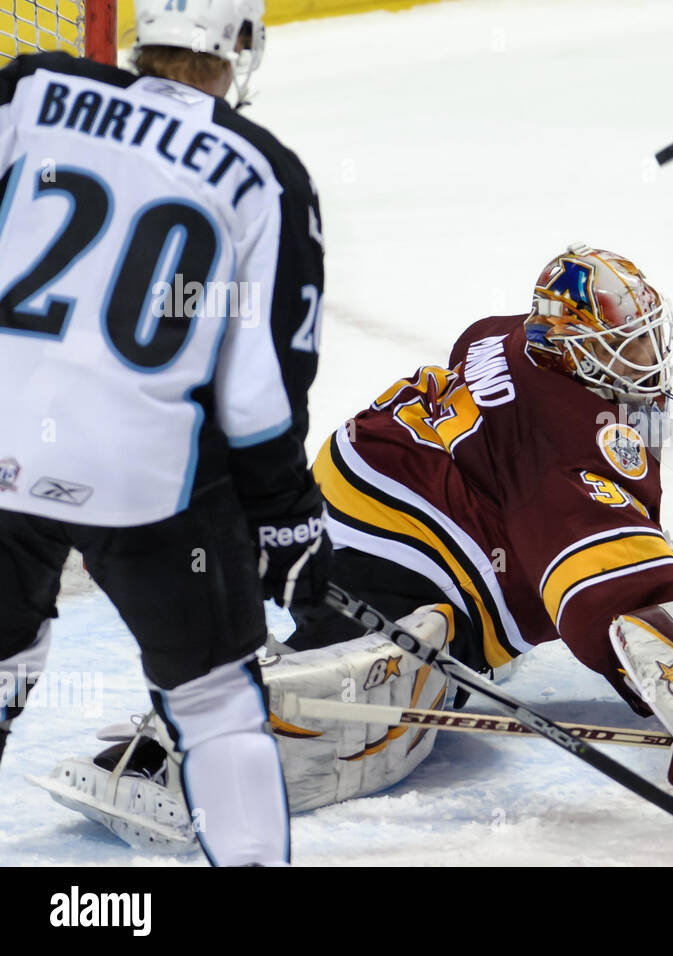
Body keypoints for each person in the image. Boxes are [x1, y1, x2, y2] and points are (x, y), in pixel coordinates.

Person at [36, 244, 673, 852]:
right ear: (570, 342)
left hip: (361, 483)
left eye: (643, 345)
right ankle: (163, 767)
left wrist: (653, 575)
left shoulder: (507, 337)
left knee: (459, 635)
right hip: (401, 545)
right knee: (383, 695)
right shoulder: (573, 440)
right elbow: (601, 590)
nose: (642, 366)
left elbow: (532, 503)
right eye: (623, 347)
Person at [0, 0, 330, 866]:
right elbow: (260, 392)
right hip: (145, 477)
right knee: (216, 698)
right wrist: (286, 524)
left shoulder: (27, 91)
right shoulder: (266, 171)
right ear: (242, 46)